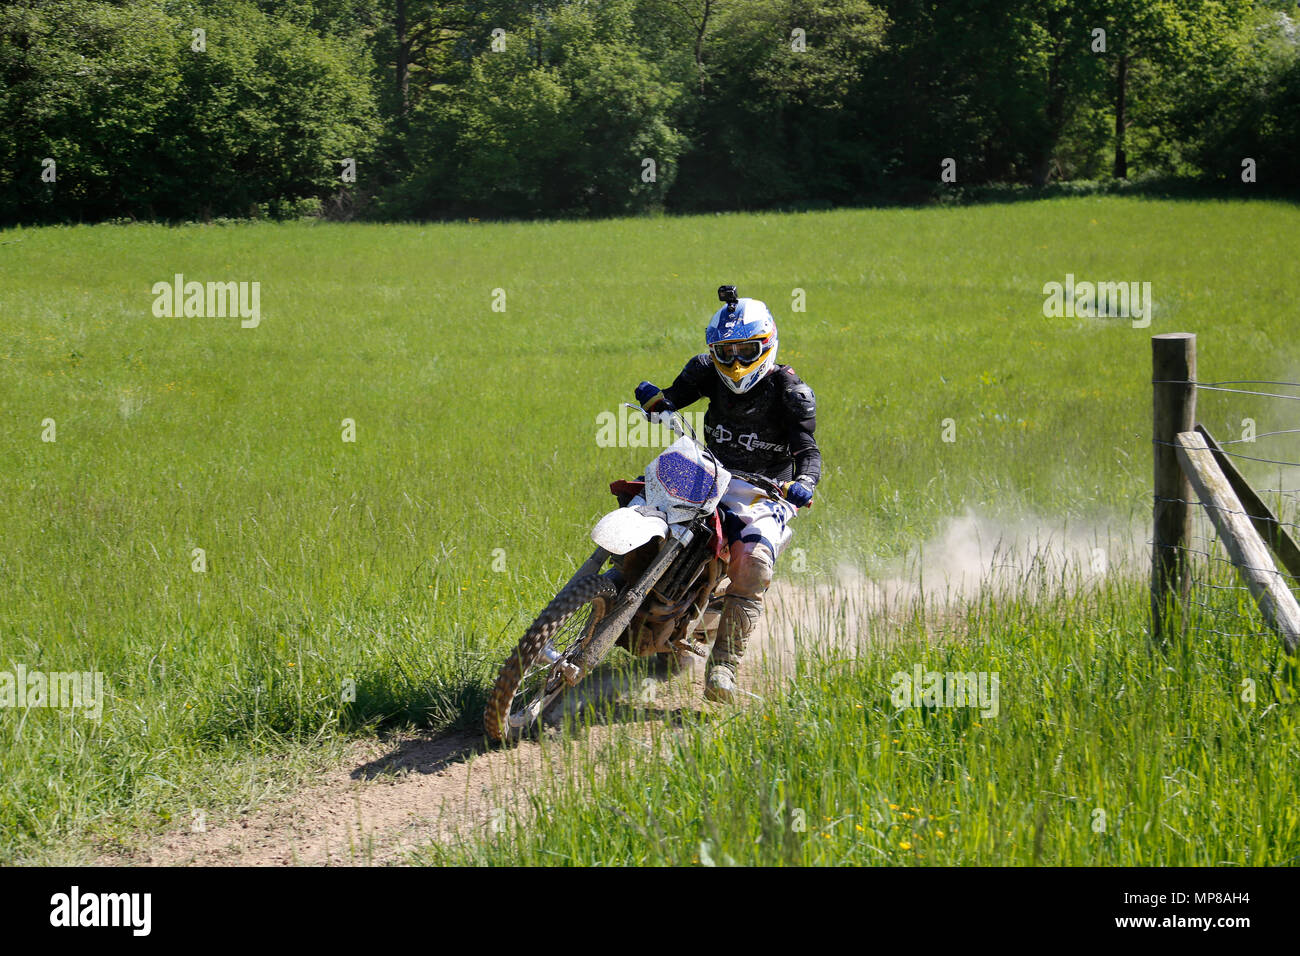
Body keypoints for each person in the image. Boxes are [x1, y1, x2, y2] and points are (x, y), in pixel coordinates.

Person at [635, 285, 821, 703]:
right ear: (713, 351)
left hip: (763, 492)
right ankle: (621, 596)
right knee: (645, 504)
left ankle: (723, 666)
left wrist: (804, 483)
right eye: (725, 352)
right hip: (708, 468)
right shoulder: (703, 370)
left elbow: (807, 451)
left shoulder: (791, 392)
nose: (735, 363)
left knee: (753, 563)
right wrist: (656, 401)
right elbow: (673, 398)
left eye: (746, 351)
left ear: (768, 344)